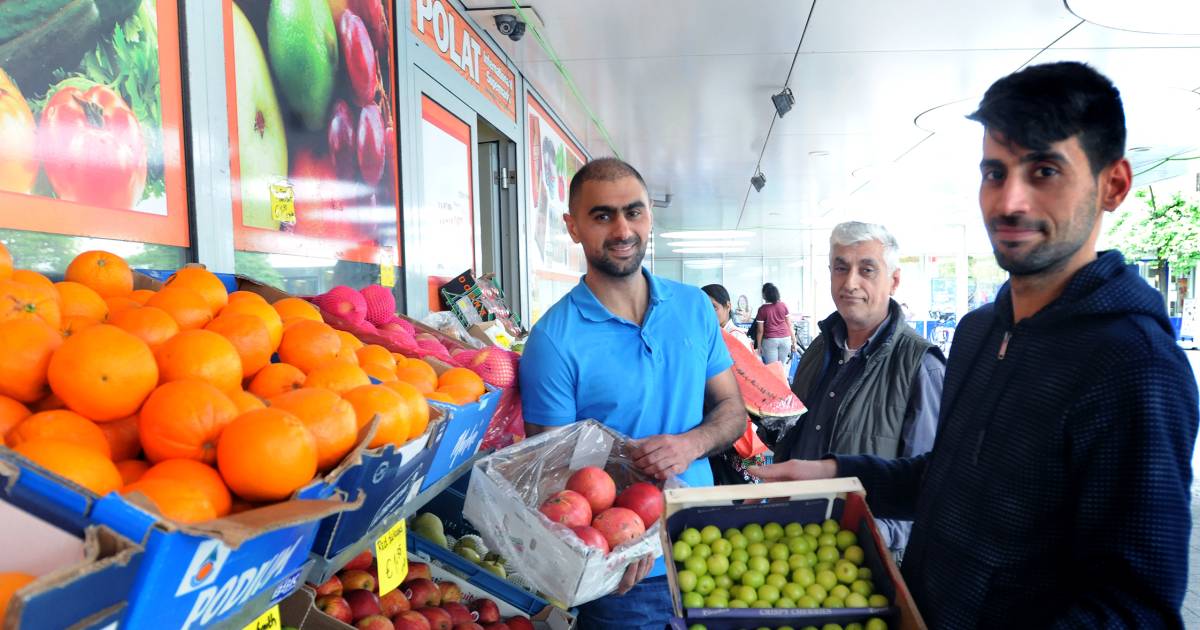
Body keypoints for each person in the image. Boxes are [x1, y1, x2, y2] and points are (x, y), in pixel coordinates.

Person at [750, 61, 1199, 628]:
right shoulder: (980, 331)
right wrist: (833, 471)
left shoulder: (1134, 363)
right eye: (994, 172)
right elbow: (946, 477)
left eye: (1044, 171)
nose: (1009, 201)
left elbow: (1135, 607)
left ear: (1113, 185)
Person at [519, 157, 745, 630]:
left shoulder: (694, 309)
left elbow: (732, 411)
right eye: (602, 215)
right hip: (625, 578)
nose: (622, 228)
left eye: (634, 212)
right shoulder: (553, 340)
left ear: (650, 218)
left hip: (709, 552)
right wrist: (623, 537)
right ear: (573, 227)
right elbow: (557, 479)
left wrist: (692, 443)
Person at [776, 221, 945, 562]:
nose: (850, 283)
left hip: (864, 562)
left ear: (894, 281)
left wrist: (866, 537)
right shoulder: (818, 350)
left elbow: (932, 492)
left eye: (867, 270)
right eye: (841, 268)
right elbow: (793, 438)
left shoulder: (921, 367)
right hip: (791, 547)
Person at [754, 283, 797, 365]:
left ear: (764, 295)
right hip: (785, 339)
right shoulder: (783, 305)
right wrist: (794, 341)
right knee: (781, 367)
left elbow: (760, 330)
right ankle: (782, 378)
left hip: (770, 340)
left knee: (772, 369)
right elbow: (789, 325)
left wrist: (759, 346)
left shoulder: (762, 309)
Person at [701, 283, 753, 350]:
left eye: (714, 307)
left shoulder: (736, 337)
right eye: (704, 308)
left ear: (728, 306)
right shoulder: (709, 335)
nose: (708, 313)